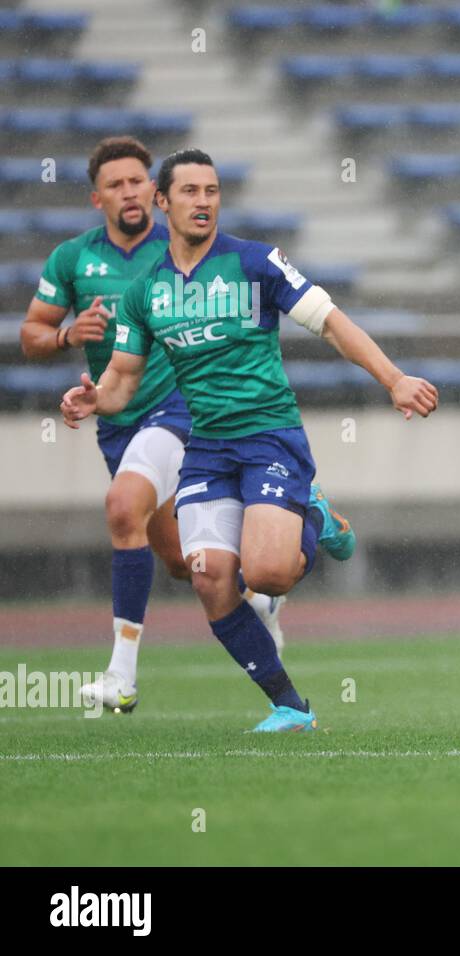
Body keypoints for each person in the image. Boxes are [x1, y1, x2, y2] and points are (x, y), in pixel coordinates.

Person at [60, 148, 439, 731]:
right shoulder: (148, 293)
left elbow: (332, 322)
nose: (203, 201)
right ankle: (290, 706)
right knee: (210, 577)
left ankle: (316, 517)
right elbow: (122, 379)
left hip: (269, 437)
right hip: (207, 447)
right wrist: (95, 400)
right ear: (163, 202)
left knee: (266, 576)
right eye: (189, 192)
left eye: (211, 191)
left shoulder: (257, 263)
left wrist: (394, 379)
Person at [21, 136, 280, 714]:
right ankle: (257, 596)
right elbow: (31, 332)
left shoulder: (181, 249)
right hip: (118, 421)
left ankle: (121, 677)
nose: (129, 192)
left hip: (180, 409)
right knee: (180, 561)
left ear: (155, 193)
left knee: (119, 506)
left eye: (137, 180)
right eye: (115, 184)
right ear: (97, 199)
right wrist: (66, 335)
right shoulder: (72, 260)